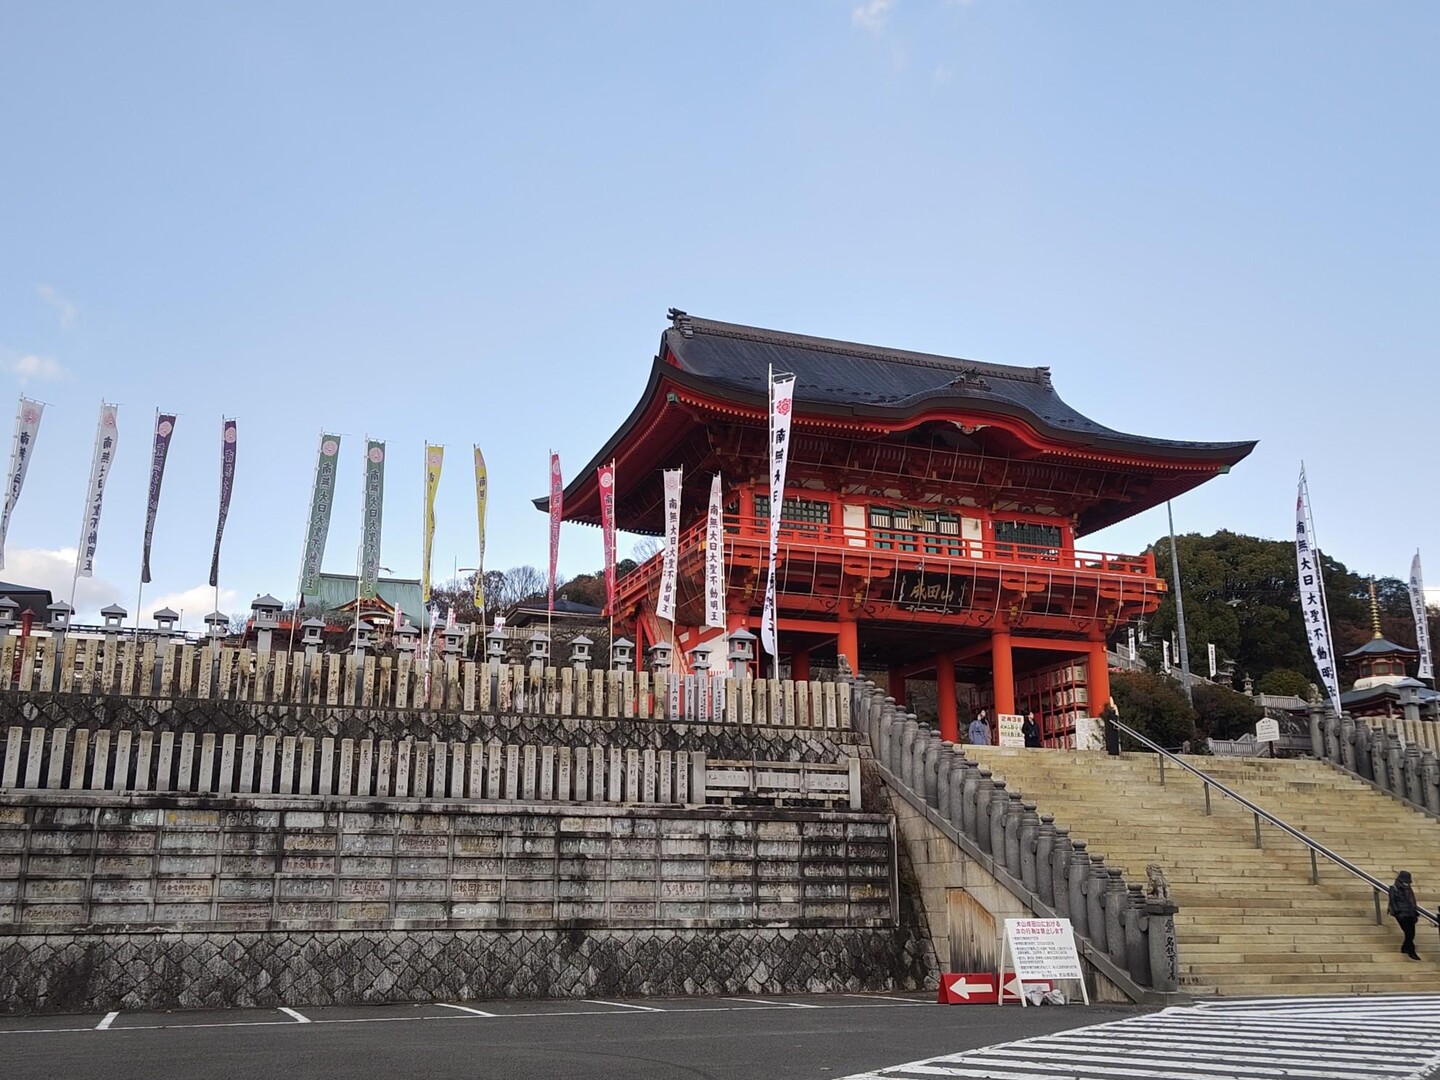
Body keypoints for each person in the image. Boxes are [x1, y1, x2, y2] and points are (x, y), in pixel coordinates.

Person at [1388, 870, 1420, 960]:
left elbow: (1412, 901)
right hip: (1401, 914)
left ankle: (1404, 948)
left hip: (1410, 913)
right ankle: (1411, 951)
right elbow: (1393, 902)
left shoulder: (1409, 889)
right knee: (1409, 933)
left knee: (1411, 933)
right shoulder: (1393, 888)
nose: (1406, 884)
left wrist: (1415, 913)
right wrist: (1397, 912)